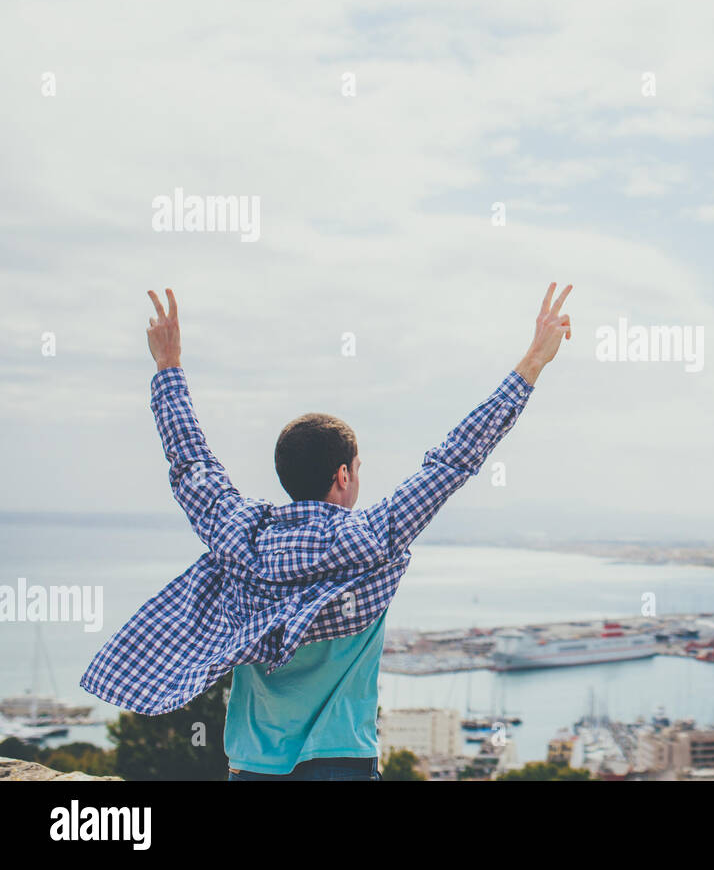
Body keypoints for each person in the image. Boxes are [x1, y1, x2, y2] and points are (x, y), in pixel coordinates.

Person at [81, 283, 573, 781]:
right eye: (357, 467)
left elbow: (190, 461)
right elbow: (456, 457)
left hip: (251, 768)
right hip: (342, 764)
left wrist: (168, 366)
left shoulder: (240, 536)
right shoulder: (370, 539)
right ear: (342, 475)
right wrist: (532, 362)